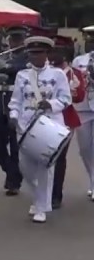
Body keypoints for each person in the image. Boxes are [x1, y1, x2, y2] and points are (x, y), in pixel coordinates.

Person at [8, 36, 71, 223]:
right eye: (32, 53)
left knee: (45, 167)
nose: (35, 56)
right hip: (26, 124)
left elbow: (66, 99)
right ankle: (39, 197)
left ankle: (42, 207)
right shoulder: (22, 75)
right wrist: (13, 116)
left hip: (49, 125)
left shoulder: (57, 75)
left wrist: (50, 104)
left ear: (47, 54)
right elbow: (16, 101)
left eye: (39, 53)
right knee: (24, 166)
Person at [0, 26, 29, 195]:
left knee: (16, 143)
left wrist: (4, 68)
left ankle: (13, 181)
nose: (15, 42)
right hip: (0, 102)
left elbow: (20, 70)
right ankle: (12, 172)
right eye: (12, 39)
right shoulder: (4, 56)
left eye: (18, 39)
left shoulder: (27, 57)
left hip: (17, 103)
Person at [49, 37, 82, 208]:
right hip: (45, 118)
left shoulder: (74, 73)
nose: (55, 54)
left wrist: (70, 91)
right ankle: (43, 192)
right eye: (53, 50)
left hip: (66, 119)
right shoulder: (45, 71)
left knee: (59, 156)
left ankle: (56, 194)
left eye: (59, 51)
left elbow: (80, 96)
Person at [71, 25, 94, 201]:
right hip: (83, 107)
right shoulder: (79, 60)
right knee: (85, 148)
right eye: (88, 38)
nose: (89, 41)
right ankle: (92, 178)